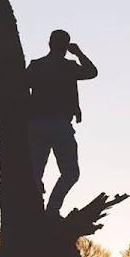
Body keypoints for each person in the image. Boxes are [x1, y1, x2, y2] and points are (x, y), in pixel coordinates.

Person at [27, 29, 98, 216]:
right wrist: (79, 53)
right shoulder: (69, 67)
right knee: (70, 173)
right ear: (66, 46)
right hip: (58, 124)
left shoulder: (37, 65)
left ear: (49, 43)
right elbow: (92, 72)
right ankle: (51, 211)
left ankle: (38, 211)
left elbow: (20, 85)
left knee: (35, 173)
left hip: (36, 124)